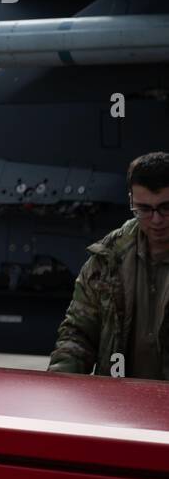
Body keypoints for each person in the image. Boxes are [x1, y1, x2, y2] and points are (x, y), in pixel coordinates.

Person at [49, 152, 169, 379]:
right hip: (117, 403)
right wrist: (60, 386)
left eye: (166, 207)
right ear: (131, 201)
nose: (156, 220)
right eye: (144, 209)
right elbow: (78, 334)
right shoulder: (107, 258)